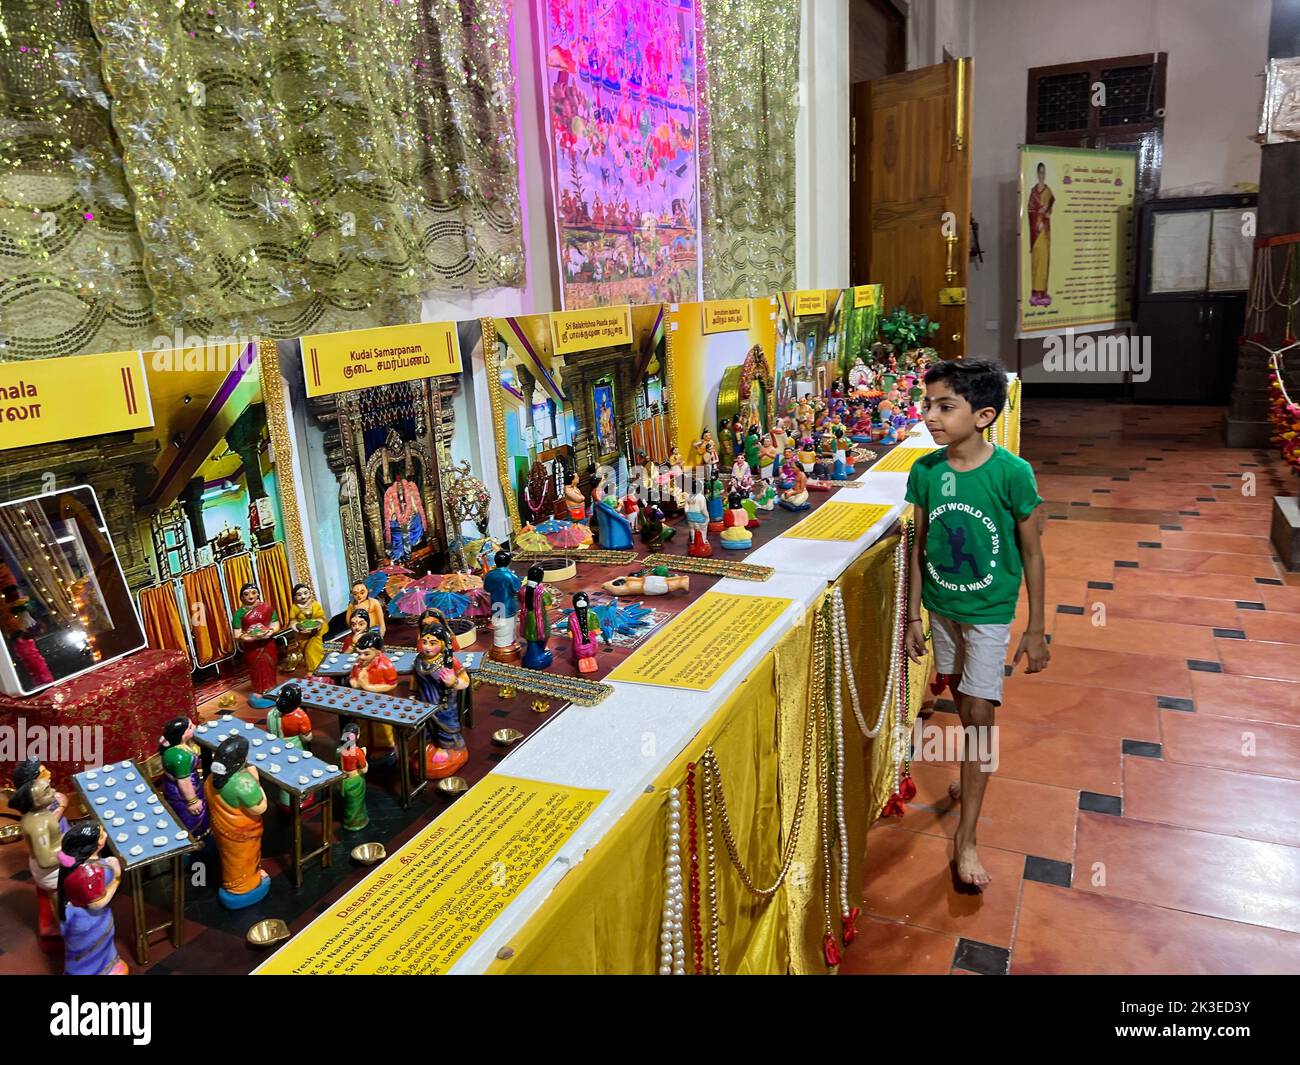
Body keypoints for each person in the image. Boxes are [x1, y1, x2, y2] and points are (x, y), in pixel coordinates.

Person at [903, 357, 1048, 891]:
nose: (930, 416)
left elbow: (1032, 552)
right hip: (942, 611)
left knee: (981, 713)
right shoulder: (926, 472)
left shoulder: (1012, 474)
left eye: (945, 406)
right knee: (964, 704)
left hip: (989, 614)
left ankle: (966, 838)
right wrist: (913, 614)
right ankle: (972, 768)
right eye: (927, 404)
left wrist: (1036, 628)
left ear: (983, 415)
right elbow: (919, 547)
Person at [205, 733, 271, 908]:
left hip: (222, 829)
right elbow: (259, 808)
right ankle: (242, 887)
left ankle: (242, 879)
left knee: (230, 857)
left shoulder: (211, 779)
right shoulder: (243, 783)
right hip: (242, 832)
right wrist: (257, 783)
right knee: (244, 859)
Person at [56, 821, 127, 974]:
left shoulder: (76, 862)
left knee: (101, 946)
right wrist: (116, 878)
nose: (105, 836)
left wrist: (107, 863)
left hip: (88, 917)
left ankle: (107, 966)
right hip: (89, 919)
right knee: (89, 952)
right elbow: (97, 903)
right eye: (101, 836)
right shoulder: (87, 872)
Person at [409, 623, 470, 778]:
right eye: (425, 642)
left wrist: (454, 682)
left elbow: (465, 681)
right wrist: (413, 694)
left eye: (433, 643)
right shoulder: (419, 660)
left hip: (444, 703)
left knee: (445, 725)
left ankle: (444, 747)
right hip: (424, 701)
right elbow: (415, 679)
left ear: (442, 644)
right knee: (425, 726)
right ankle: (428, 744)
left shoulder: (449, 661)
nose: (427, 647)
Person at [10, 777, 63, 949]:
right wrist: (69, 853)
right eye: (47, 791)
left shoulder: (38, 814)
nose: (53, 792)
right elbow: (45, 860)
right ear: (35, 801)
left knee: (61, 901)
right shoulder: (38, 825)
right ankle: (68, 934)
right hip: (51, 871)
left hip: (52, 866)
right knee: (60, 904)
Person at [158, 717, 209, 840]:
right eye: (190, 727)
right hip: (185, 793)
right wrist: (192, 801)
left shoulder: (178, 748)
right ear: (182, 734)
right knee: (193, 815)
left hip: (189, 785)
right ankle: (195, 837)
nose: (195, 726)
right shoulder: (179, 756)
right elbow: (183, 781)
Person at [232, 582, 279, 703]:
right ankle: (258, 690)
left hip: (268, 643)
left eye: (253, 592)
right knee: (256, 668)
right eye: (246, 594)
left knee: (270, 665)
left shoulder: (267, 608)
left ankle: (272, 687)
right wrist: (246, 637)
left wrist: (270, 631)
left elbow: (275, 624)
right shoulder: (239, 614)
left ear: (258, 594)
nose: (250, 596)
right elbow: (237, 634)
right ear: (241, 597)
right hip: (252, 647)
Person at [483, 549, 523, 662]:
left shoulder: (490, 575)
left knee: (498, 625)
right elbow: (517, 588)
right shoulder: (509, 575)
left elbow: (487, 588)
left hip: (496, 604)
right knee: (508, 626)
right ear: (509, 561)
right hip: (507, 605)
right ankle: (505, 644)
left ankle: (499, 644)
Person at [1027, 161, 1054, 307]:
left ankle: (1043, 292)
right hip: (1035, 231)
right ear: (1037, 174)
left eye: (1044, 172)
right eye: (1040, 172)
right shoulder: (1033, 191)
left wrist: (1045, 215)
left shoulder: (1048, 191)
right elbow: (1029, 210)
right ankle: (1035, 293)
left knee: (1044, 261)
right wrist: (1037, 217)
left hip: (1045, 231)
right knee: (1036, 261)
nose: (1042, 175)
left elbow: (1050, 209)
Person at [289, 582, 327, 673]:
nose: (303, 597)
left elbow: (321, 617)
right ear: (294, 597)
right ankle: (312, 670)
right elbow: (293, 621)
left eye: (305, 593)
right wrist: (299, 629)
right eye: (299, 595)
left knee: (319, 651)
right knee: (308, 653)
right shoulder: (294, 608)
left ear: (310, 593)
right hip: (303, 637)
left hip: (315, 634)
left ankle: (322, 668)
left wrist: (318, 626)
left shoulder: (315, 605)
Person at [567, 592, 600, 673]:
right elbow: (569, 629)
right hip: (580, 640)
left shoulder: (592, 615)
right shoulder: (572, 616)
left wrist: (594, 632)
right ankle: (582, 661)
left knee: (588, 650)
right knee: (580, 652)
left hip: (587, 639)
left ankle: (589, 660)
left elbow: (596, 628)